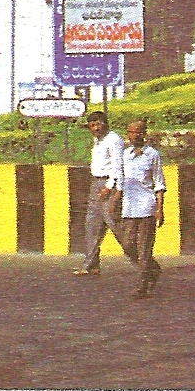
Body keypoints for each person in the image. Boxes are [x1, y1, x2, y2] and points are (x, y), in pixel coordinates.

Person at [73, 111, 126, 276]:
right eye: (92, 126)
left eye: (98, 124)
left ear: (106, 124)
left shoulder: (114, 140)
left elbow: (118, 165)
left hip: (108, 184)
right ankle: (91, 265)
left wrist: (110, 186)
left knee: (115, 225)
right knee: (92, 224)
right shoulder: (97, 140)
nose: (95, 129)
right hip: (96, 183)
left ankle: (143, 261)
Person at [119, 119, 167, 299]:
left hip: (147, 205)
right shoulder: (124, 155)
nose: (135, 135)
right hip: (129, 206)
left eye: (139, 132)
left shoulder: (152, 154)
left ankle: (143, 285)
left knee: (144, 248)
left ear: (144, 133)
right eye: (132, 132)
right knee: (128, 244)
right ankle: (153, 269)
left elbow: (159, 183)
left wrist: (160, 208)